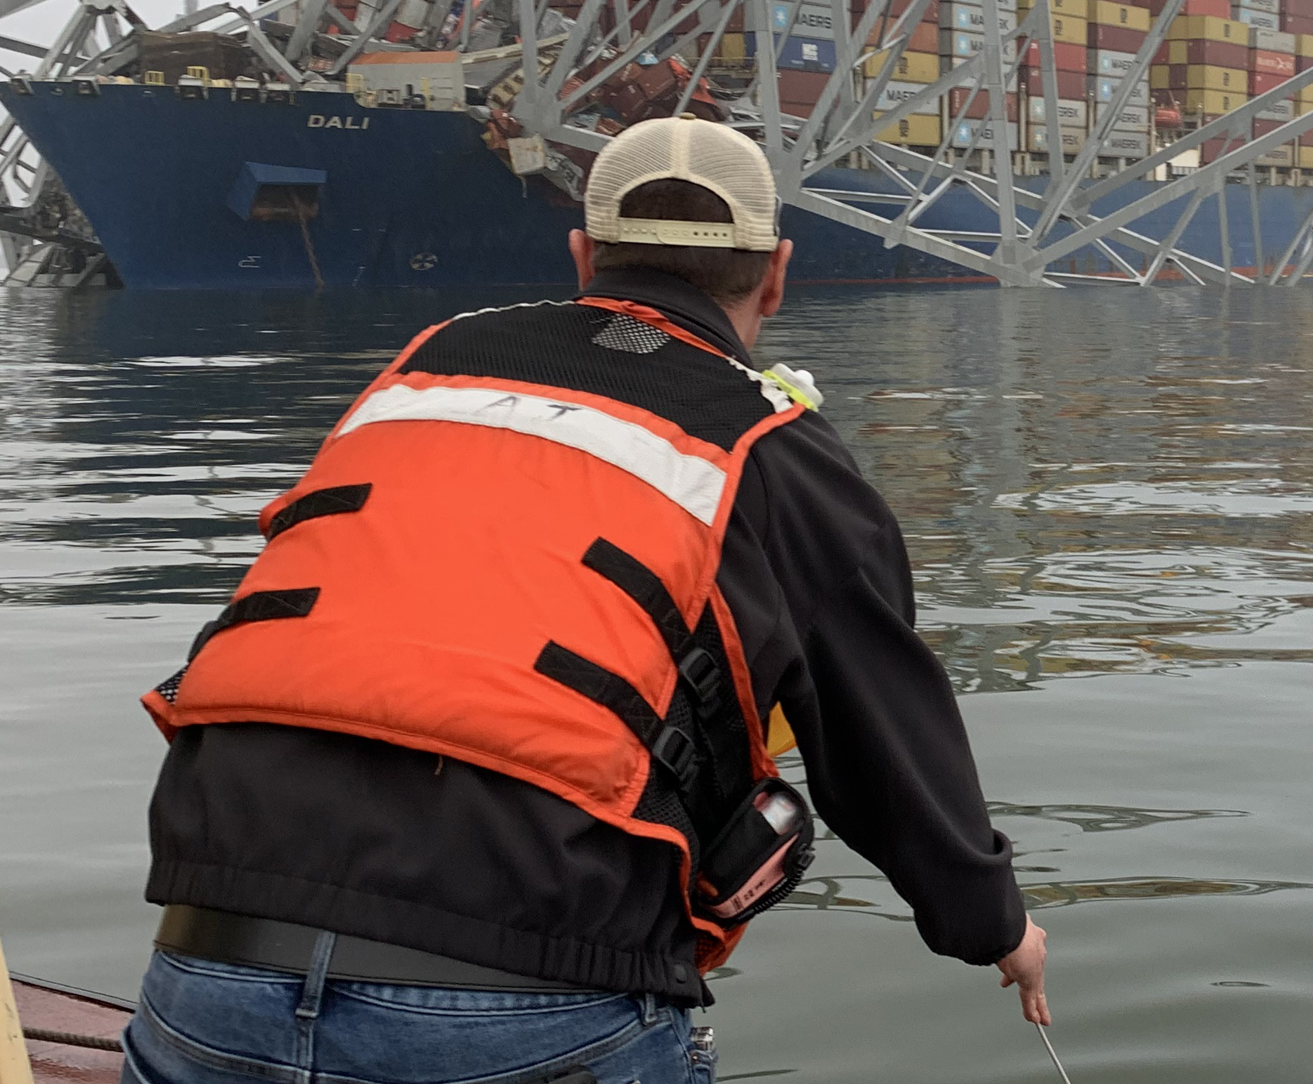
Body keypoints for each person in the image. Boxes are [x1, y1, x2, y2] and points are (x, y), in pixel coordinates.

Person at [120, 114, 1047, 1084]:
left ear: (580, 255)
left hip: (204, 970)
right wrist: (993, 923)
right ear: (775, 273)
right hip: (521, 1009)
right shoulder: (767, 446)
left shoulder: (421, 369)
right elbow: (878, 744)